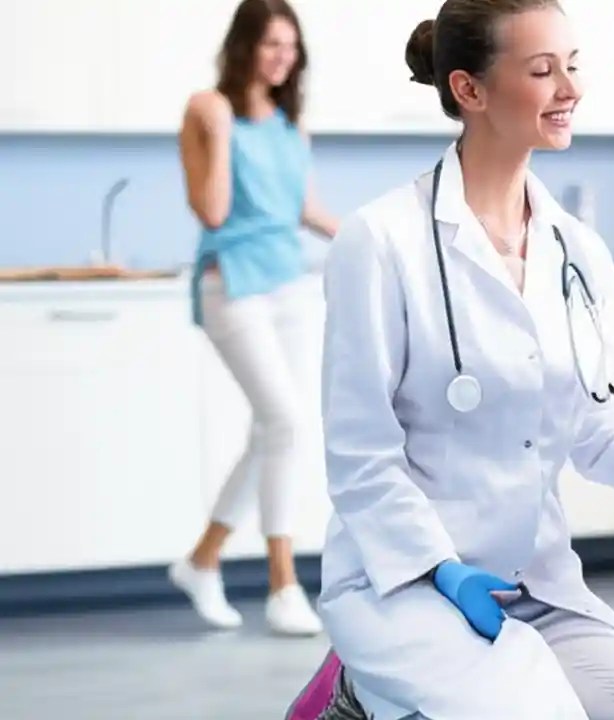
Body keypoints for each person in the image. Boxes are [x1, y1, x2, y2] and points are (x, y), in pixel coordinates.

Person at [291, 1, 614, 718]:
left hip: (536, 583)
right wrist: (440, 569)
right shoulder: (381, 241)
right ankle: (358, 687)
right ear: (470, 91)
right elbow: (360, 455)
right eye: (543, 70)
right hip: (407, 581)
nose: (570, 88)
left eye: (572, 65)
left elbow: (601, 429)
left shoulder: (577, 249)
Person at [170, 0, 340, 637]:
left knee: (279, 431)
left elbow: (307, 209)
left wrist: (374, 237)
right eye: (271, 44)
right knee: (284, 422)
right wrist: (218, 129)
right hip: (231, 283)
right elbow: (212, 212)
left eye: (290, 47)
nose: (282, 58)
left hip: (289, 283)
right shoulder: (205, 110)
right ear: (244, 45)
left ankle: (202, 560)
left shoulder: (291, 127)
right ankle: (283, 582)